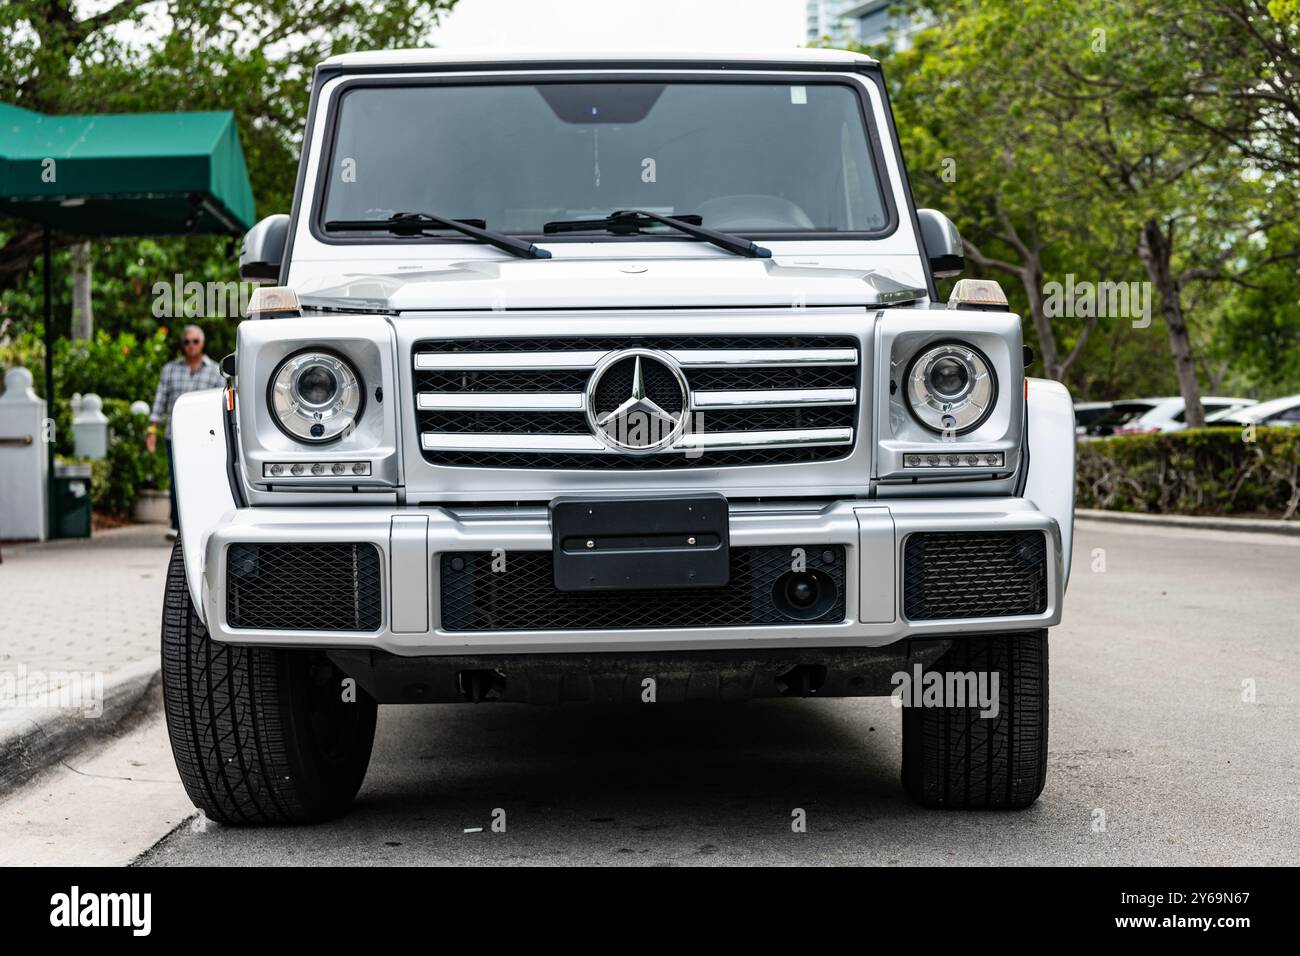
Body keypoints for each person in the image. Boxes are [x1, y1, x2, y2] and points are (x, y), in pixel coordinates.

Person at [147, 324, 224, 538]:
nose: (191, 345)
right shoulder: (170, 370)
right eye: (187, 342)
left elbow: (221, 403)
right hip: (176, 436)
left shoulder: (215, 370)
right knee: (176, 480)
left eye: (195, 341)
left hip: (205, 437)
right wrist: (152, 431)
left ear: (202, 343)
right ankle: (176, 525)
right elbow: (159, 402)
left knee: (204, 479)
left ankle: (203, 524)